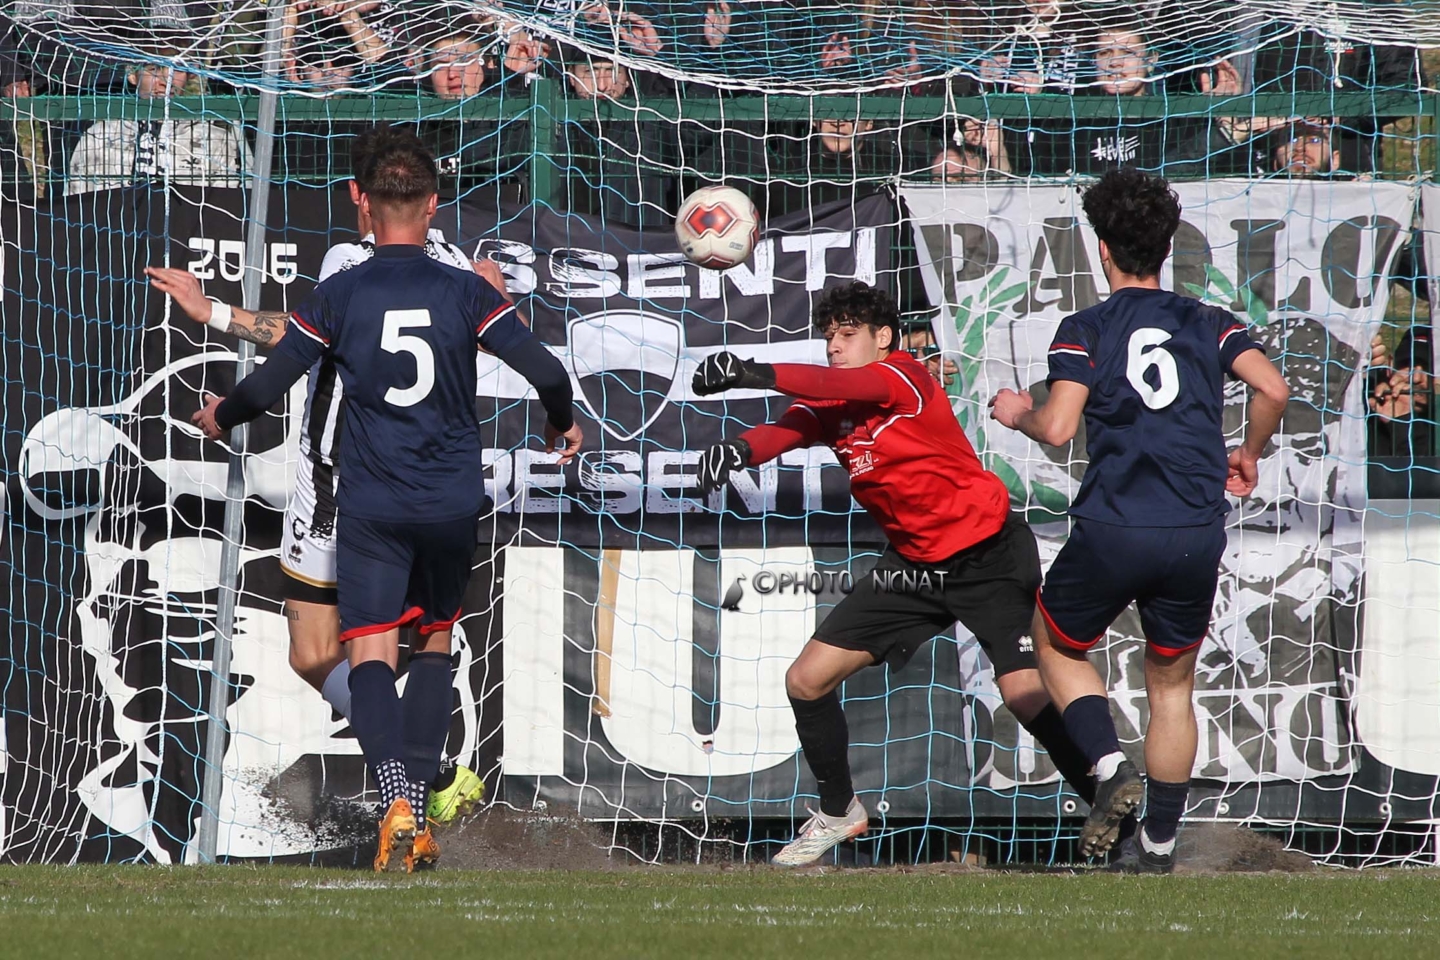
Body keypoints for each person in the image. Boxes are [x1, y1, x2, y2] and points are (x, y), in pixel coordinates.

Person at [191, 133, 580, 872]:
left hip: (368, 499)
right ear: (434, 207)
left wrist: (224, 417)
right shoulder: (467, 288)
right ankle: (422, 807)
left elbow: (270, 383)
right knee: (433, 642)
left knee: (366, 651)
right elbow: (548, 371)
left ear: (362, 205)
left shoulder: (342, 289)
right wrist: (561, 423)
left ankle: (400, 797)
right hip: (449, 501)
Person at [144, 126, 512, 832]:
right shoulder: (460, 267)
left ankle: (410, 782)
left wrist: (210, 311)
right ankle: (426, 774)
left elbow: (296, 336)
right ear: (432, 201)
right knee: (407, 641)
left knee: (324, 653)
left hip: (339, 484)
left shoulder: (351, 256)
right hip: (433, 482)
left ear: (357, 196)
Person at [690, 280, 1096, 867]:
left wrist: (753, 371)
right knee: (805, 680)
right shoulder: (834, 404)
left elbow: (835, 383)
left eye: (848, 335)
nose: (834, 346)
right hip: (913, 566)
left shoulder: (903, 375)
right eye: (828, 336)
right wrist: (739, 450)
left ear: (883, 339)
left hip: (987, 553)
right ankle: (838, 809)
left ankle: (1113, 807)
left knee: (1024, 694)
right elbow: (793, 424)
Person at [988, 168, 1291, 873]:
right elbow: (1272, 388)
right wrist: (1246, 452)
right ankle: (1157, 845)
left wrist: (1016, 414)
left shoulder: (1087, 327)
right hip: (1193, 529)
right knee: (1172, 687)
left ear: (1102, 249)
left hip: (1117, 522)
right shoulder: (1208, 320)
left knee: (1055, 644)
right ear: (1165, 247)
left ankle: (1105, 765)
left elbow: (1059, 428)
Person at [65, 46, 252, 195]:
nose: (166, 80)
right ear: (132, 75)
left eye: (177, 69)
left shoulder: (215, 140)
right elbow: (76, 205)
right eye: (154, 69)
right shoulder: (99, 137)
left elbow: (225, 209)